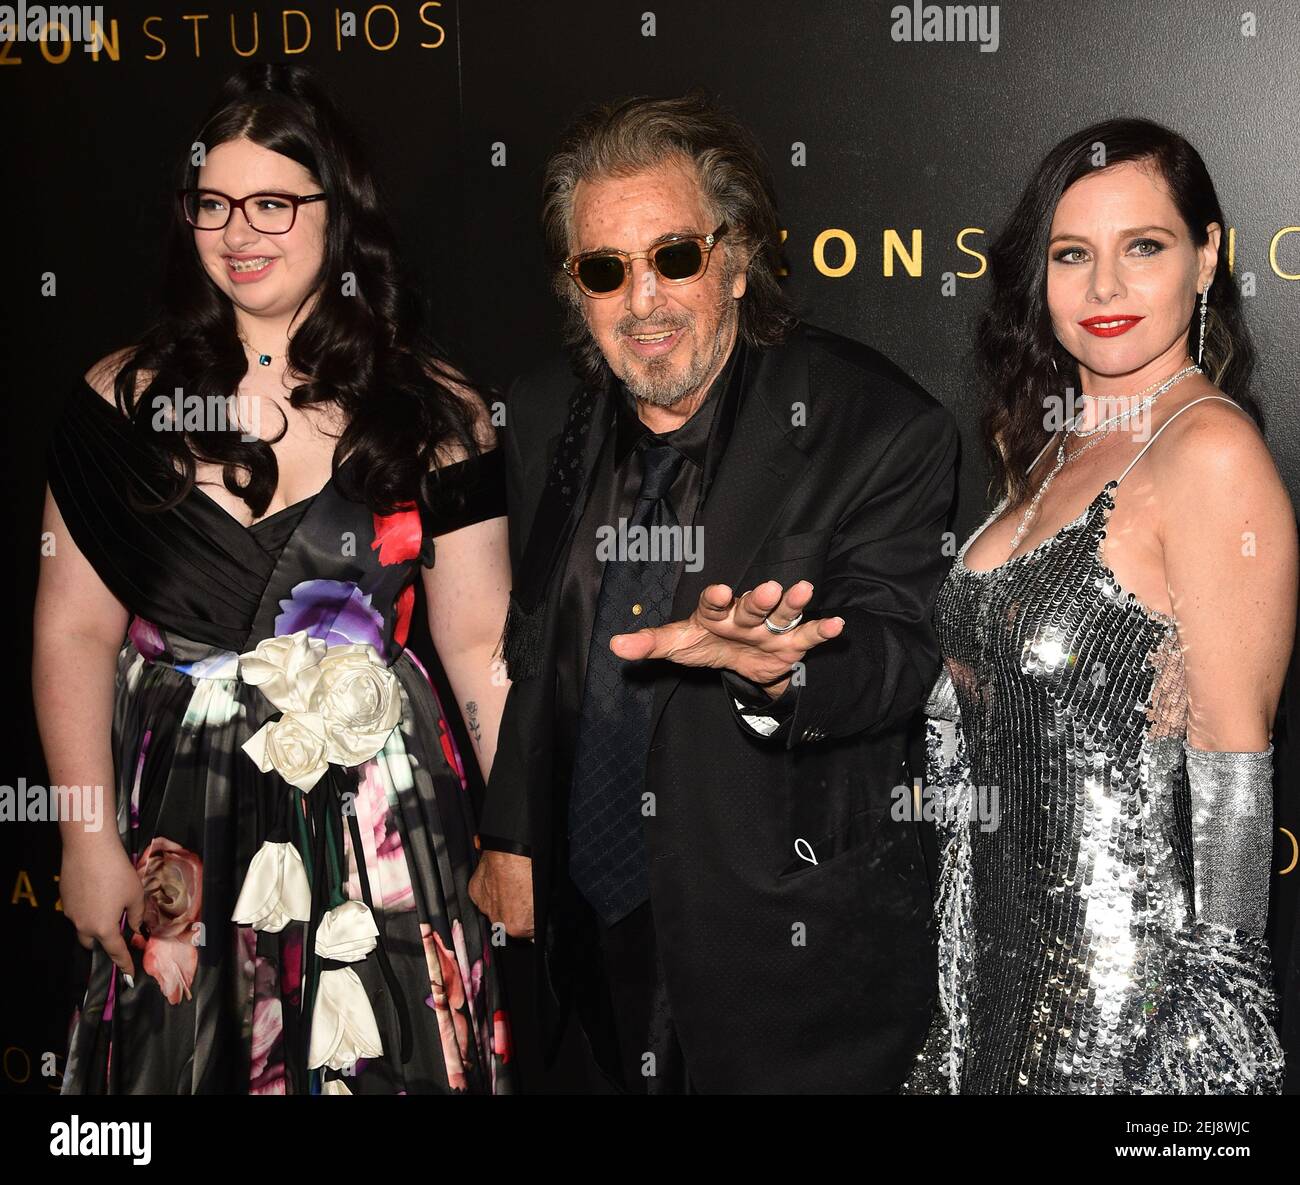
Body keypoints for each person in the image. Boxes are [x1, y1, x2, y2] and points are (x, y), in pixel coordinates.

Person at [35, 63, 514, 1094]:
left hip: (379, 816)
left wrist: (514, 837)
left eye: (271, 203)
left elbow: (480, 648)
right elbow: (73, 629)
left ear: (337, 215)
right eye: (211, 203)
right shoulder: (120, 402)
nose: (237, 231)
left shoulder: (436, 410)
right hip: (183, 814)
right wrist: (83, 837)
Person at [468, 92, 959, 1093]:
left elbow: (898, 652)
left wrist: (782, 674)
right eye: (605, 271)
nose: (642, 302)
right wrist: (512, 831)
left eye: (674, 257)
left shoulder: (876, 425)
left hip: (780, 952)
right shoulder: (543, 411)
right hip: (585, 943)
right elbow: (536, 643)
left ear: (734, 257)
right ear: (575, 287)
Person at [901, 118, 1296, 1094]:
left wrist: (1193, 1065)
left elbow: (1233, 787)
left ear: (1205, 259)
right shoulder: (1050, 450)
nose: (1105, 288)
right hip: (988, 1000)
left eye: (1144, 248)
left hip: (1122, 1031)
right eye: (1073, 254)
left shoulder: (1207, 455)